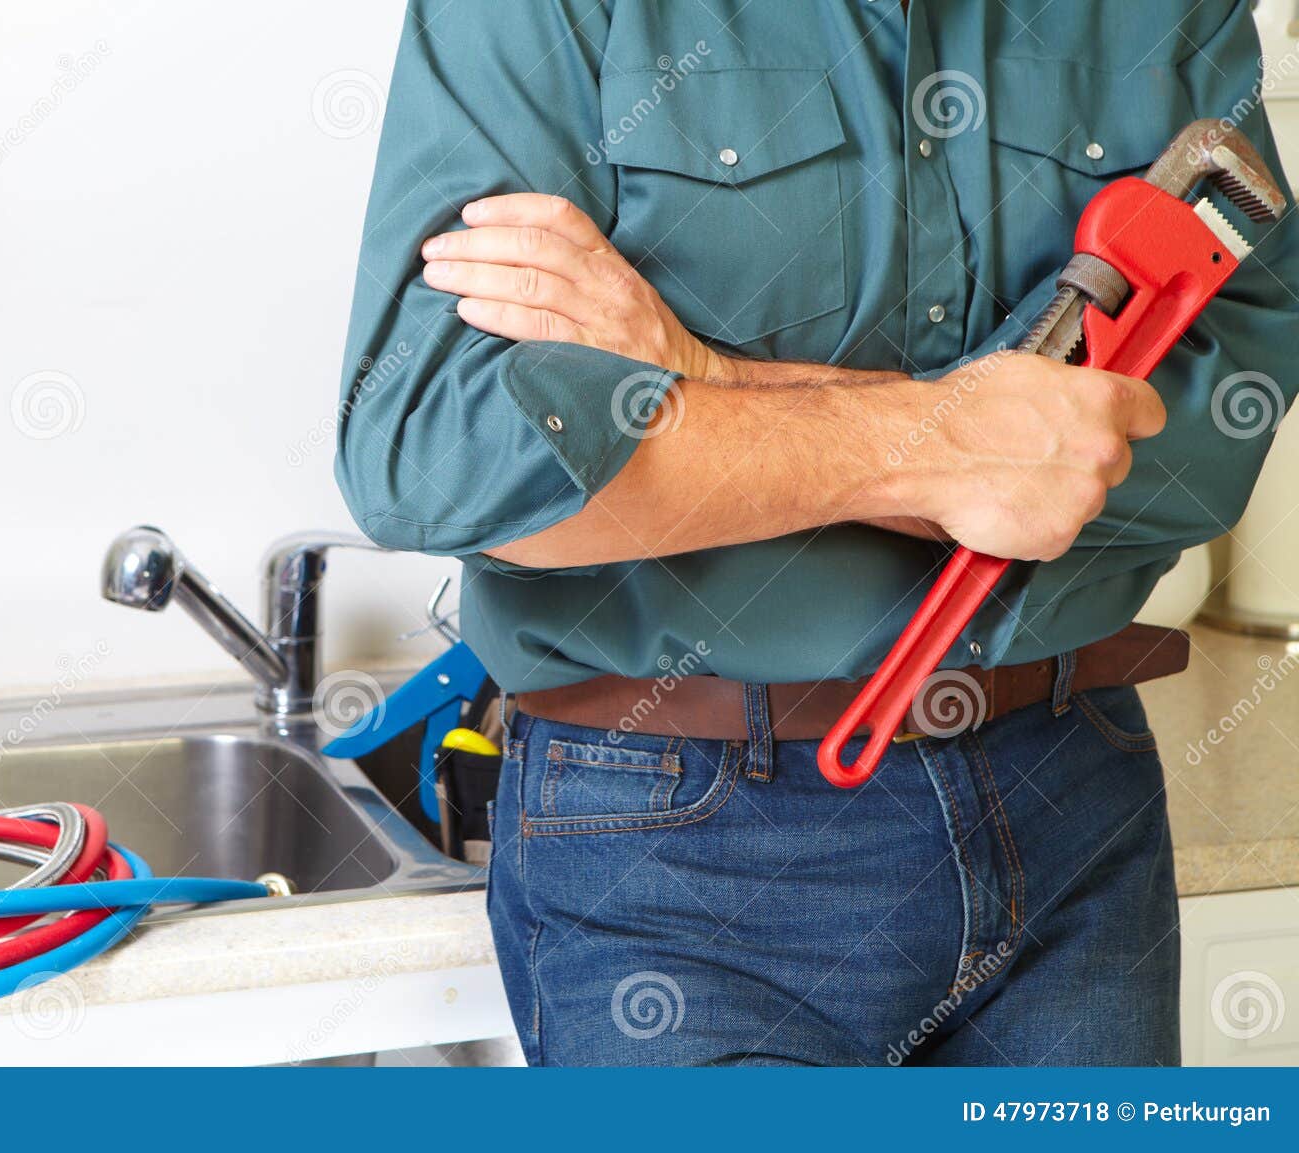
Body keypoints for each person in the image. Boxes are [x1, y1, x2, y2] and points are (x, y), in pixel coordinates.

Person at [335, 0, 1298, 1065]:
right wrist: (940, 450)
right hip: (681, 855)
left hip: (1074, 806)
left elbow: (1220, 432)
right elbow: (439, 455)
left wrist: (707, 380)